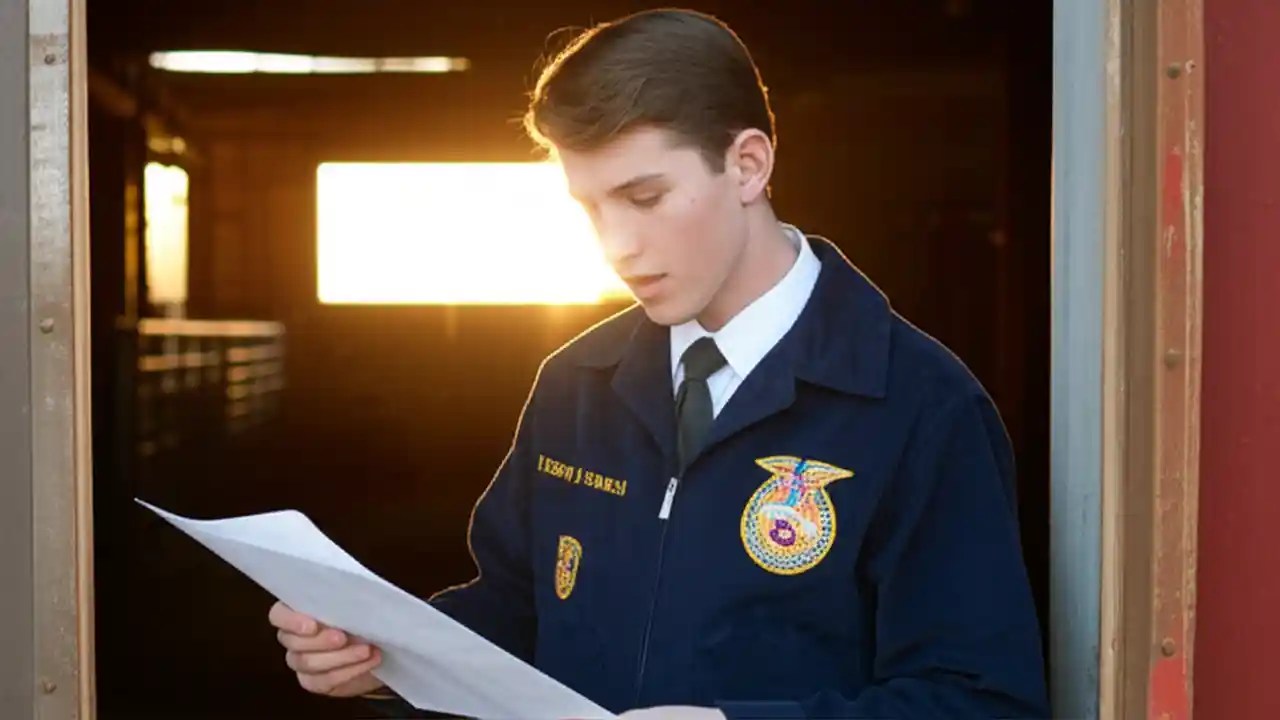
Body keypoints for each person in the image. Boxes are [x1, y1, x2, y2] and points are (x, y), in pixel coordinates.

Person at [269, 8, 1049, 719]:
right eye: (590, 207)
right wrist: (385, 655)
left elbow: (978, 699)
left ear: (747, 166)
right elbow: (517, 611)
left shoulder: (920, 406)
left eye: (643, 197)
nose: (616, 246)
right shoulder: (576, 384)